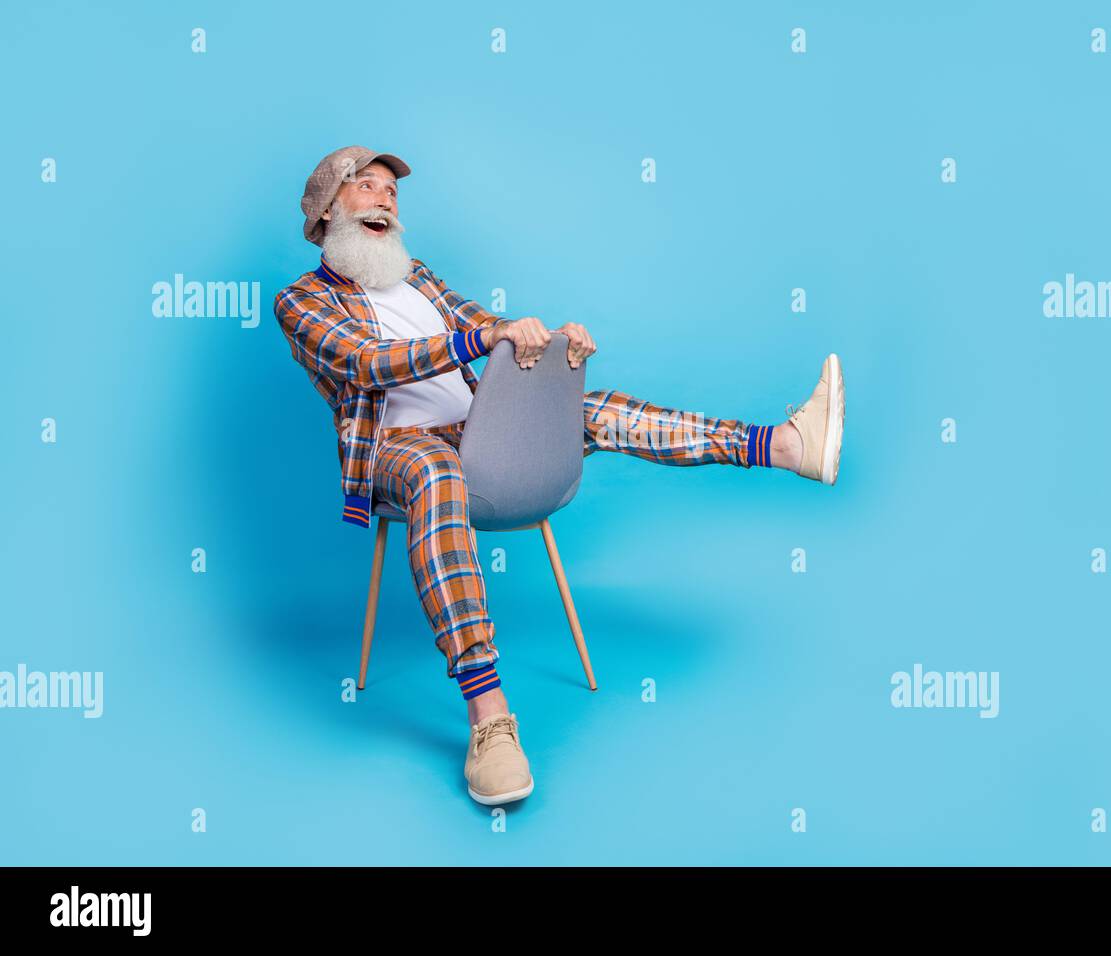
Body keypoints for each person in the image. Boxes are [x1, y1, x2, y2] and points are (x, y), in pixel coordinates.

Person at [273, 146, 846, 806]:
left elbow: (483, 325)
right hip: (396, 450)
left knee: (591, 407)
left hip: (478, 436)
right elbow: (368, 362)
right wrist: (480, 343)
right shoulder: (300, 301)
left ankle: (787, 444)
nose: (385, 199)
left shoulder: (418, 278)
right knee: (434, 470)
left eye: (391, 191)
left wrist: (544, 346)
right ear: (324, 213)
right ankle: (489, 719)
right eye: (364, 188)